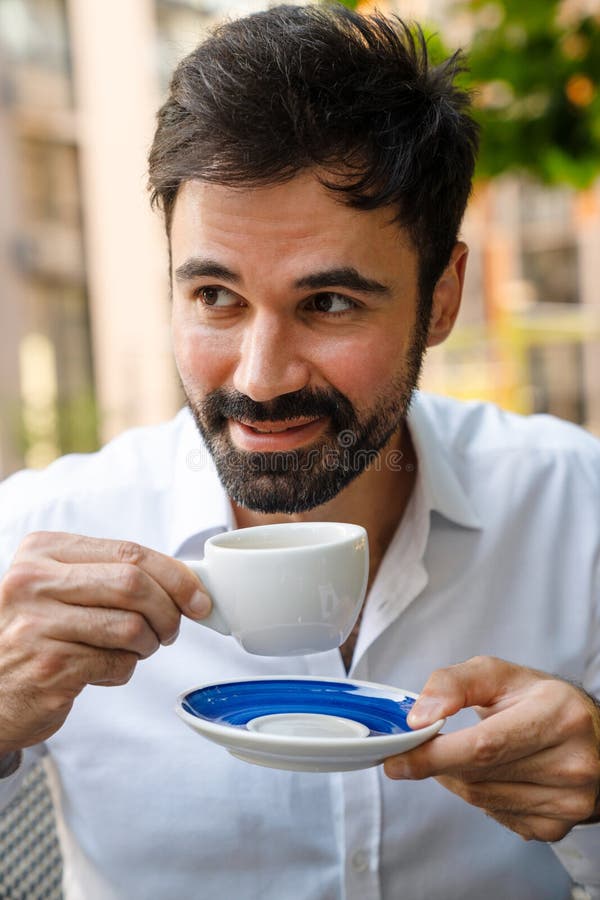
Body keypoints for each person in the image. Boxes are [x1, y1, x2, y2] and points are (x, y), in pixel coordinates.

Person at [0, 4, 599, 898]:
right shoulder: (32, 540)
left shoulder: (578, 508)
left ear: (442, 298)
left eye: (328, 304)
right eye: (215, 295)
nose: (261, 376)